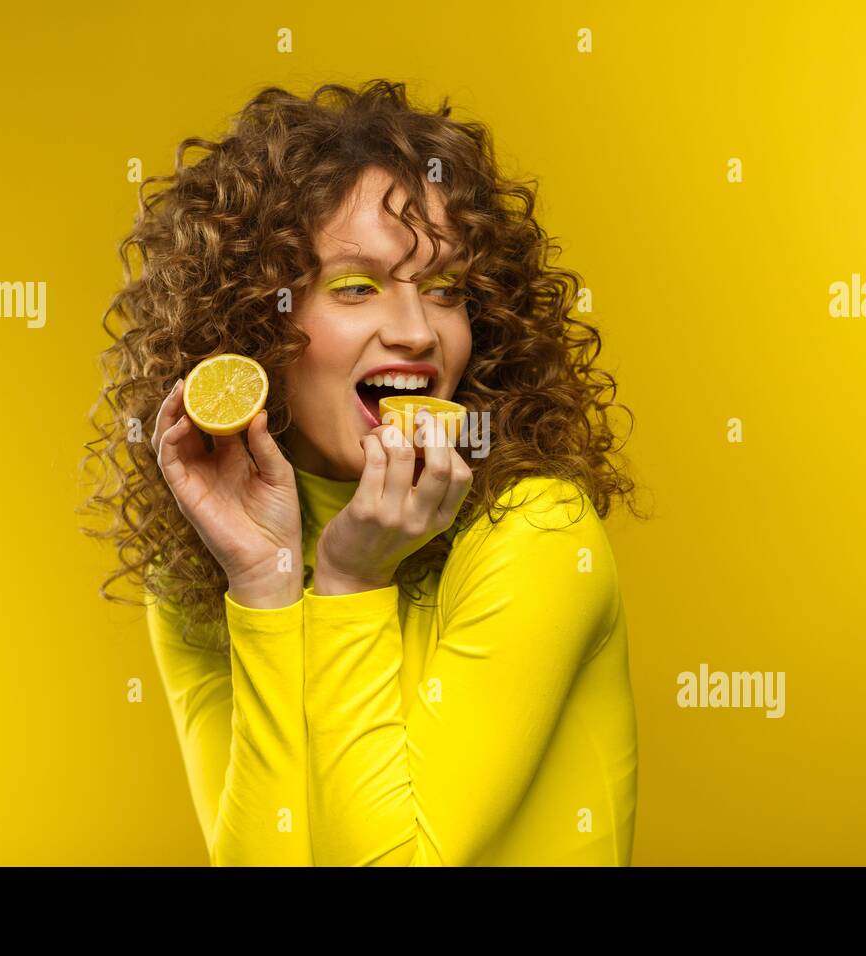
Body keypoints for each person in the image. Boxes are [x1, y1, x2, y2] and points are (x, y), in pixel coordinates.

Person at [83, 79, 644, 865]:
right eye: (356, 288)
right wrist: (265, 588)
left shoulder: (535, 534)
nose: (417, 331)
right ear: (257, 319)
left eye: (446, 290)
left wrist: (350, 581)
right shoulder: (203, 571)